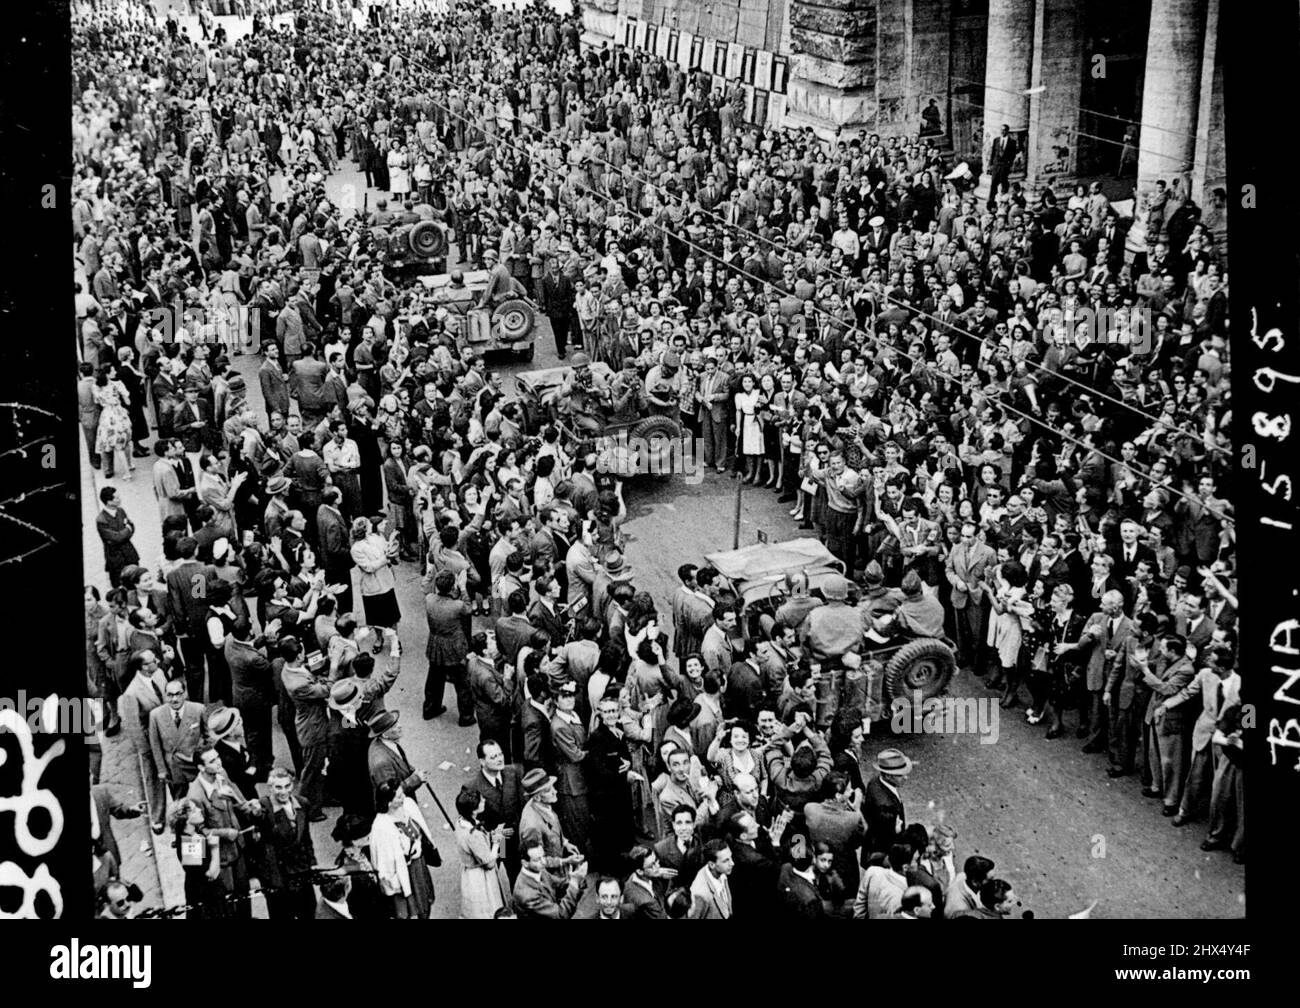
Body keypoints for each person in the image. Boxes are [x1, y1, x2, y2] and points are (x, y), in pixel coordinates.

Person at [370, 779, 437, 920]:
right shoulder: (381, 826)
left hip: (419, 866)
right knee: (409, 912)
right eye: (399, 796)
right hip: (404, 875)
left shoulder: (408, 806)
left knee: (425, 907)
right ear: (388, 802)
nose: (403, 798)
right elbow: (384, 863)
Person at [454, 785, 511, 919]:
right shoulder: (473, 835)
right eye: (481, 801)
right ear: (474, 810)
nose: (484, 800)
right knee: (490, 907)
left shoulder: (461, 822)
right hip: (480, 877)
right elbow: (489, 863)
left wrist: (492, 835)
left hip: (469, 873)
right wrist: (497, 840)